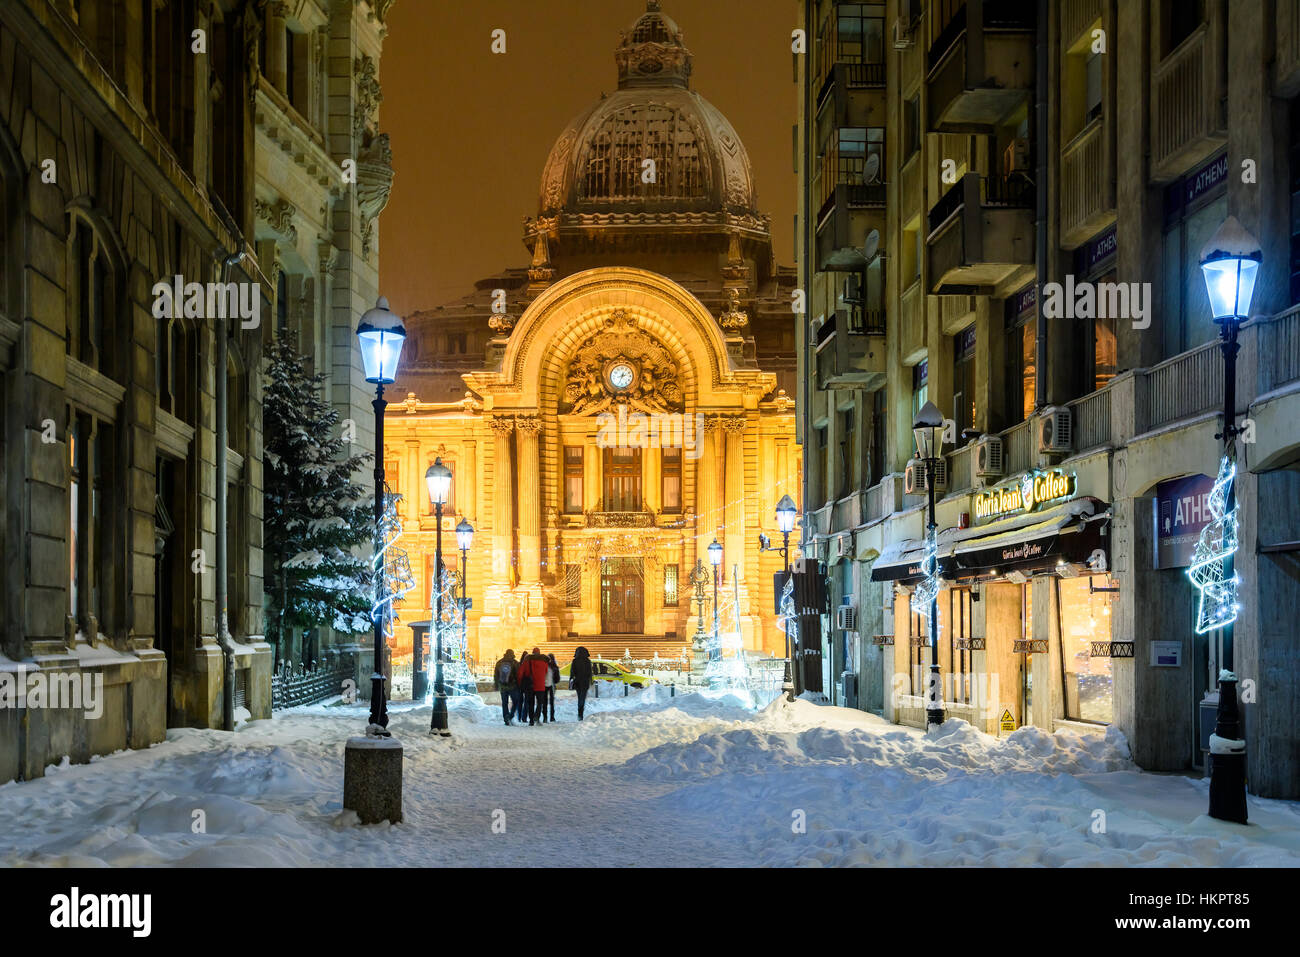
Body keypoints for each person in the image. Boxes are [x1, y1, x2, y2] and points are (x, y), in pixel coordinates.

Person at [522, 646, 550, 726]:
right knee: (540, 702)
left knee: (531, 703)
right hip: (540, 685)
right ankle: (536, 716)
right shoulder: (544, 662)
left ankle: (531, 720)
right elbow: (545, 673)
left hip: (530, 686)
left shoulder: (528, 662)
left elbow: (525, 673)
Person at [492, 649, 518, 725]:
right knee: (516, 701)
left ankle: (505, 718)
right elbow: (517, 675)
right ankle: (511, 715)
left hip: (502, 686)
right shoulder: (515, 662)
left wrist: (496, 684)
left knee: (504, 703)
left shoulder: (499, 662)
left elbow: (496, 675)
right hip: (512, 686)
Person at [570, 646, 593, 721]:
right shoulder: (587, 661)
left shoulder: (575, 661)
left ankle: (580, 713)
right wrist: (590, 681)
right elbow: (590, 672)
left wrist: (571, 680)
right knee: (582, 697)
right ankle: (580, 713)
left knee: (580, 697)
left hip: (577, 682)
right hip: (585, 682)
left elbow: (572, 672)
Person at [545, 653, 560, 722]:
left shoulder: (544, 665)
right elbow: (557, 679)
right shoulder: (555, 667)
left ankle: (545, 717)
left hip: (544, 685)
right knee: (551, 702)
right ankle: (552, 717)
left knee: (544, 702)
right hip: (552, 686)